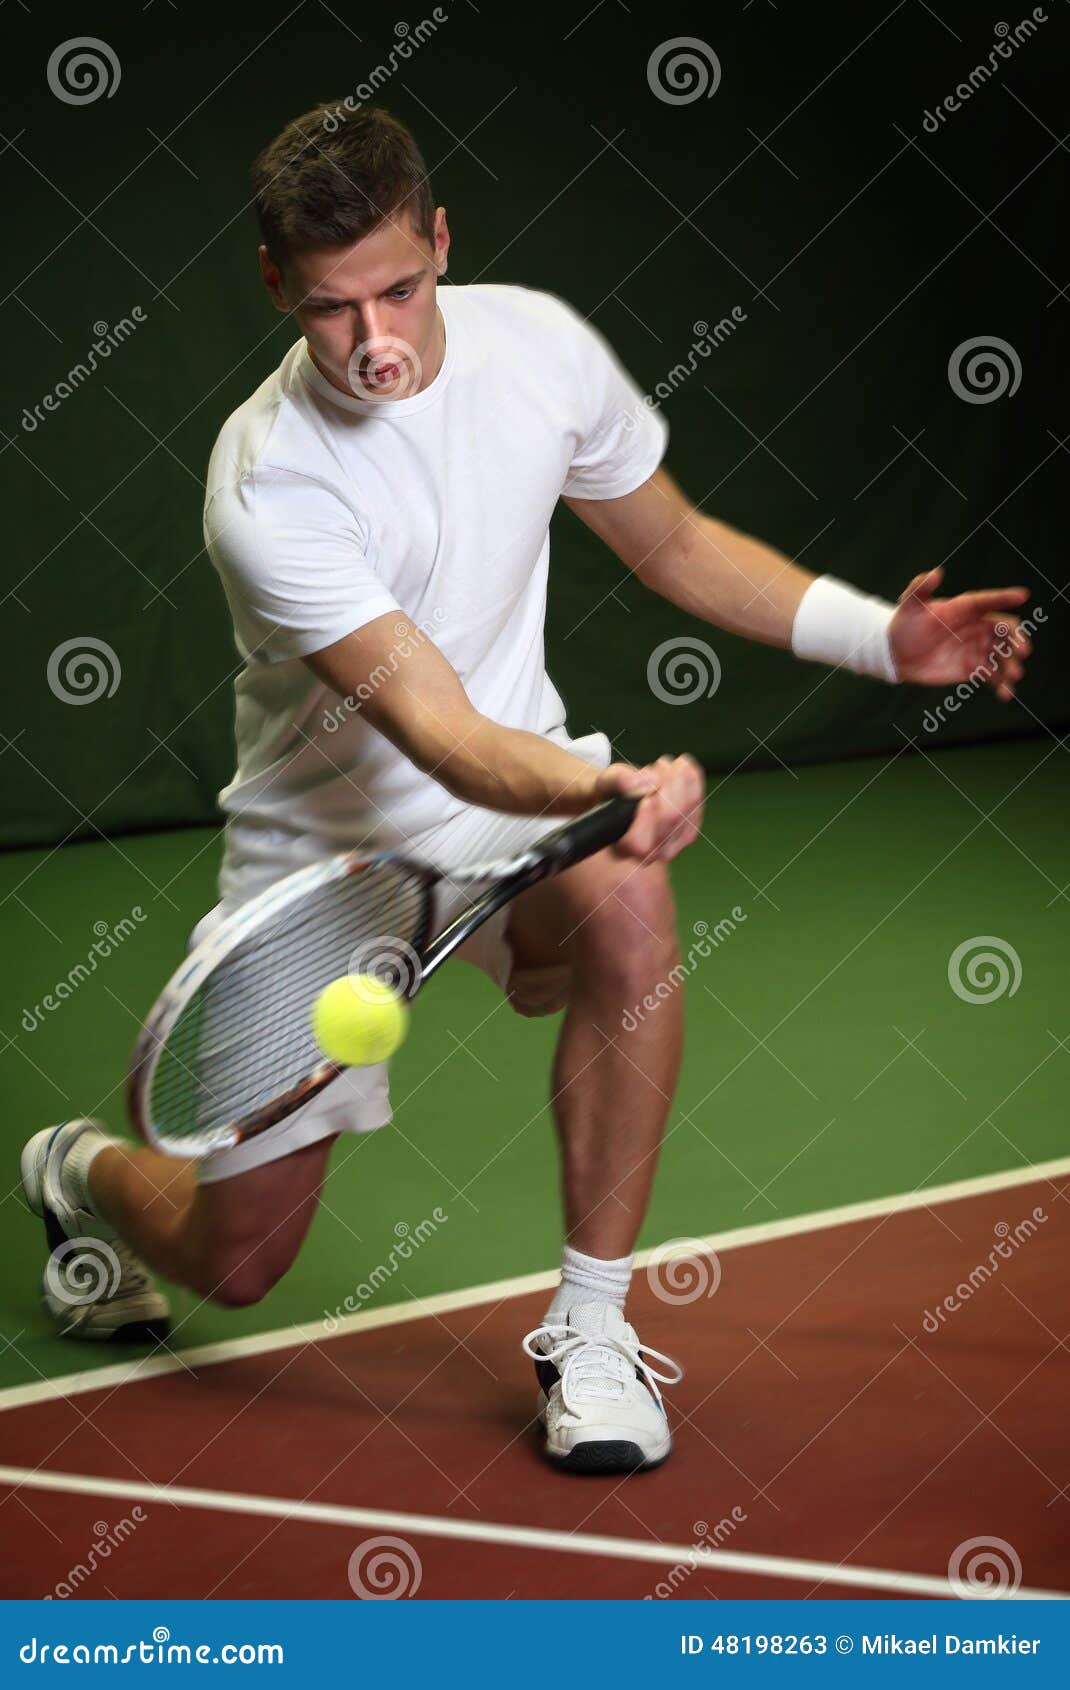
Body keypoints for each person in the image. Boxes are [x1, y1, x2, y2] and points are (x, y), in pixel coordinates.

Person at [21, 104, 1032, 1475]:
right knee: (239, 1260)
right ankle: (77, 1168)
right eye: (329, 308)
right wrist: (600, 779)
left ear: (442, 241)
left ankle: (590, 1328)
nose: (372, 338)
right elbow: (435, 725)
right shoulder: (269, 482)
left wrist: (879, 640)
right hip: (326, 862)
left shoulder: (537, 349)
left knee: (629, 902)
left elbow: (672, 541)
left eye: (398, 288)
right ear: (274, 287)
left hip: (511, 803)